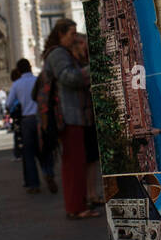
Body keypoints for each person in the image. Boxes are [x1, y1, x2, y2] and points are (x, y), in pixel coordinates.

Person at [42, 20, 96, 219]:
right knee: (73, 163)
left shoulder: (64, 53)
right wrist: (94, 69)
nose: (75, 37)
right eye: (72, 33)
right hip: (68, 115)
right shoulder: (58, 54)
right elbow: (68, 77)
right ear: (61, 34)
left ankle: (79, 205)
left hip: (75, 115)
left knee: (77, 161)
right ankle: (75, 207)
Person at [8, 58, 54, 194]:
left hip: (27, 120)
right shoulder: (37, 80)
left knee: (29, 153)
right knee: (45, 147)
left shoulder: (16, 84)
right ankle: (48, 172)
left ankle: (34, 184)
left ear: (19, 70)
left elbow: (8, 103)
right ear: (30, 67)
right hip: (41, 118)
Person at [71, 33, 104, 209]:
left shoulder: (81, 63)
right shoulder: (77, 66)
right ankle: (88, 194)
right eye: (82, 44)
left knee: (92, 159)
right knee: (87, 158)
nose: (85, 47)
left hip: (88, 115)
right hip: (82, 116)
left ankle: (92, 193)